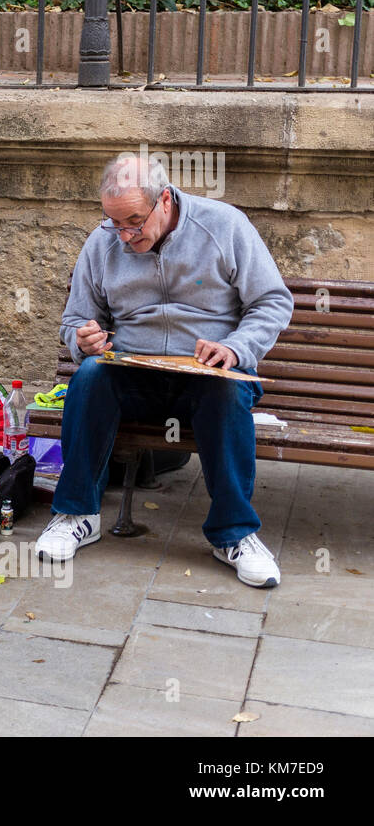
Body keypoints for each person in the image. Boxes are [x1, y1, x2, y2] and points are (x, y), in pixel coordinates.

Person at [34, 155, 294, 588]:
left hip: (208, 375)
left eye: (135, 221)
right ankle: (77, 515)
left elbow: (272, 301)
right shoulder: (103, 242)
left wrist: (235, 347)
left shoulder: (224, 226)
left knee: (226, 394)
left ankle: (234, 535)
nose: (126, 235)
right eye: (115, 223)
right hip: (135, 374)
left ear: (166, 200)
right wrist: (83, 341)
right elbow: (75, 318)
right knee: (91, 376)